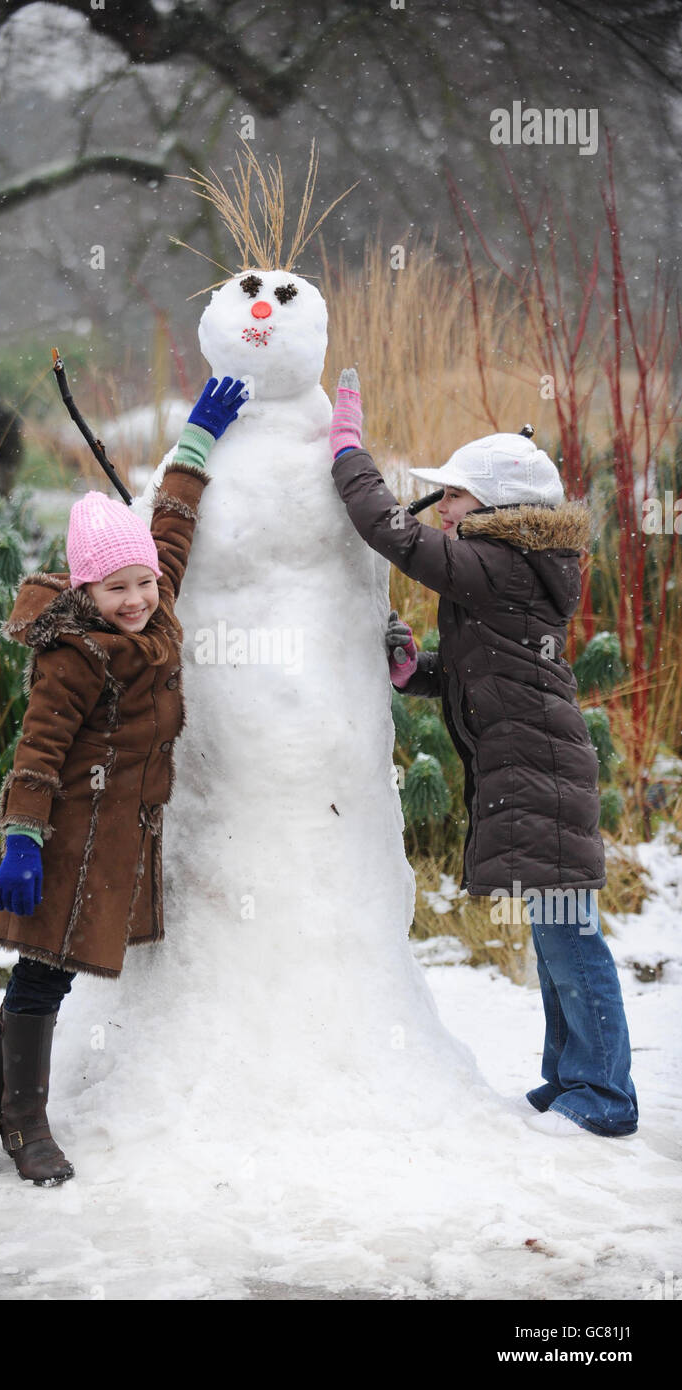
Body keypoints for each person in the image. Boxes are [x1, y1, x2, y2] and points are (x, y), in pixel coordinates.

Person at [0, 376, 247, 1185]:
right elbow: (36, 755)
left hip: (119, 836)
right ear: (85, 591)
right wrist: (21, 840)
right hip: (65, 837)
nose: (137, 599)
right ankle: (21, 1124)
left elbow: (171, 526)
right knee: (43, 972)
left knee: (51, 969)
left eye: (143, 584)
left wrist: (197, 443)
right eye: (116, 589)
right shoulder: (73, 658)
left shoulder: (160, 603)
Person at [328, 368, 638, 1140]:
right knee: (555, 934)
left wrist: (347, 453)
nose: (445, 509)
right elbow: (486, 673)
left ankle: (604, 1096)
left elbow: (390, 532)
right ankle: (570, 1079)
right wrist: (415, 671)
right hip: (536, 768)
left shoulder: (497, 563)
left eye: (456, 497)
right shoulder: (510, 571)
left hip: (541, 776)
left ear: (497, 509)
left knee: (569, 938)